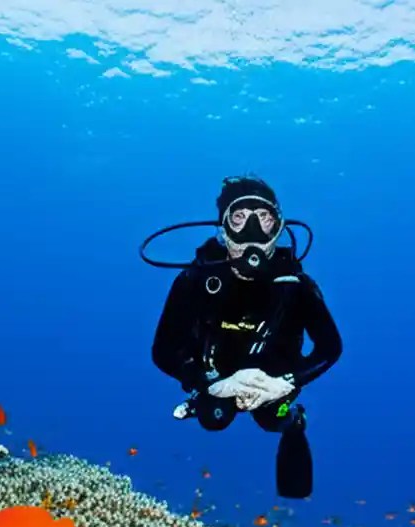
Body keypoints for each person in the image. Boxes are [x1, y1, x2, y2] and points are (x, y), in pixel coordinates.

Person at [146, 175, 342, 499]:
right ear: (223, 229)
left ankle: (294, 422)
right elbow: (162, 350)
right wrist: (206, 381)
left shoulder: (296, 286)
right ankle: (211, 399)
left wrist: (288, 381)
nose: (252, 232)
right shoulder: (194, 281)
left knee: (271, 418)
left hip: (273, 379)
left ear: (277, 228)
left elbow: (331, 347)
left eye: (263, 219)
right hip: (217, 377)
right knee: (214, 417)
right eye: (239, 218)